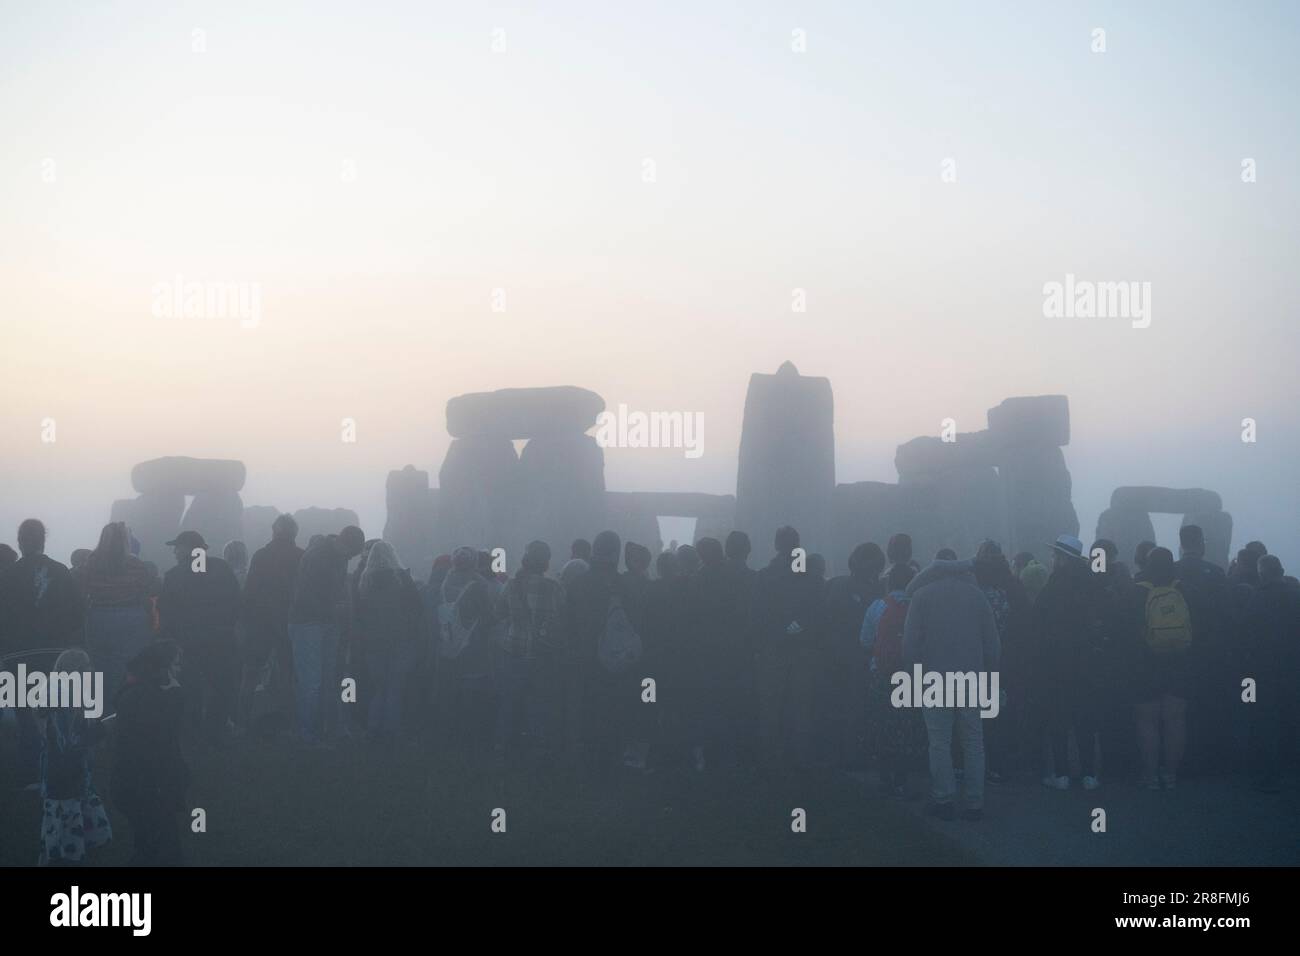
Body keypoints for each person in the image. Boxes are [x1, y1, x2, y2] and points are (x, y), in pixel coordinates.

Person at [903, 554, 1000, 820]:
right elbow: (992, 644)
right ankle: (974, 802)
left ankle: (943, 798)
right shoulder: (977, 596)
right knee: (973, 741)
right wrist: (992, 673)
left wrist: (913, 674)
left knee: (939, 742)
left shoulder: (921, 596)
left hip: (934, 678)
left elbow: (910, 645)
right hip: (971, 677)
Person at [0, 519, 85, 787]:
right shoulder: (60, 571)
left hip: (18, 654)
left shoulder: (7, 575)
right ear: (43, 540)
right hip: (55, 653)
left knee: (26, 714)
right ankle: (62, 768)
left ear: (20, 541)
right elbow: (78, 611)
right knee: (57, 712)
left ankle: (31, 773)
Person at [1034, 534, 1105, 791]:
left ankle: (1062, 774)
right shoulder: (1092, 581)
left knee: (1059, 717)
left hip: (1057, 661)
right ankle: (1089, 775)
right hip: (1087, 660)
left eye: (1055, 555)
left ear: (1063, 558)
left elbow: (1039, 617)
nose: (1053, 559)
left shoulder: (1056, 583)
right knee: (1085, 717)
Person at [158, 531, 242, 746]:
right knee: (222, 686)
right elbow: (237, 600)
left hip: (190, 640)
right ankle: (217, 731)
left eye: (177, 547)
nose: (175, 551)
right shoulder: (221, 568)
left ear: (187, 548)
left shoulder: (175, 575)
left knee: (191, 687)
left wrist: (171, 638)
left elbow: (166, 611)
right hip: (222, 637)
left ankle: (192, 733)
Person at [566, 530, 638, 774]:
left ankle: (587, 758)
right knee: (615, 708)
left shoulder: (578, 584)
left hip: (584, 657)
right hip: (617, 657)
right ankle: (612, 758)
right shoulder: (625, 585)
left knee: (587, 707)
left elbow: (567, 623)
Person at [752, 526, 824, 769]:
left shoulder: (764, 576)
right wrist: (799, 625)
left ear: (776, 545)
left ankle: (769, 757)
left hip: (773, 647)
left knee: (770, 706)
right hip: (804, 647)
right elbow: (818, 608)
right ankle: (801, 757)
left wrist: (780, 628)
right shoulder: (811, 576)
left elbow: (758, 613)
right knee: (802, 705)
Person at [34, 647, 113, 865]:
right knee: (66, 839)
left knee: (66, 830)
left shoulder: (60, 693)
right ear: (75, 670)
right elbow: (70, 743)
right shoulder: (63, 698)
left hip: (65, 775)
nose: (92, 669)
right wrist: (105, 727)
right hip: (66, 777)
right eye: (87, 666)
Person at [113, 640, 189, 865]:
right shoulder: (157, 700)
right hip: (149, 783)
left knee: (146, 837)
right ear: (162, 669)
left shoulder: (131, 692)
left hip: (129, 782)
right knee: (163, 839)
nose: (180, 670)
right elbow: (163, 739)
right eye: (176, 665)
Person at [288, 525, 365, 745]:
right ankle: (307, 732)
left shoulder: (334, 554)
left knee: (327, 678)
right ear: (345, 544)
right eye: (351, 553)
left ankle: (324, 728)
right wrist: (335, 609)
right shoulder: (317, 556)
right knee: (312, 681)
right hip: (309, 623)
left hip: (326, 622)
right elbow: (306, 593)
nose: (351, 558)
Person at [494, 540, 566, 758]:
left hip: (514, 652)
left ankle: (502, 747)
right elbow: (563, 619)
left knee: (509, 703)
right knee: (539, 704)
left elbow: (499, 614)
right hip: (542, 654)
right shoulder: (555, 588)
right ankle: (537, 750)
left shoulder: (511, 585)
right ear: (546, 562)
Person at [79, 522, 159, 716]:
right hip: (132, 618)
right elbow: (146, 591)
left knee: (102, 669)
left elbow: (84, 590)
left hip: (100, 618)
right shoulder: (136, 564)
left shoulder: (92, 562)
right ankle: (130, 713)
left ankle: (104, 717)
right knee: (133, 668)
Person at [861, 561, 926, 798]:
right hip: (911, 673)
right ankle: (903, 775)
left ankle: (884, 775)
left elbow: (865, 641)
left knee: (882, 723)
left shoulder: (878, 606)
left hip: (882, 672)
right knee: (906, 723)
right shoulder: (920, 606)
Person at [1130, 547, 1193, 790]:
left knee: (1147, 720)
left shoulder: (1135, 592)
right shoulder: (1185, 590)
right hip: (1180, 661)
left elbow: (1124, 630)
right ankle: (1171, 775)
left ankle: (1150, 776)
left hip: (1144, 663)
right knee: (1175, 719)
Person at [1174, 524, 1233, 773]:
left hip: (1176, 647)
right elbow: (1227, 613)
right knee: (1208, 703)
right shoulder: (1218, 573)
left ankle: (1180, 759)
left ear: (1181, 544)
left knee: (1179, 705)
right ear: (1202, 544)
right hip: (1211, 648)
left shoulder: (1172, 572)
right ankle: (1209, 757)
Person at [822, 543, 886, 769]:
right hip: (858, 657)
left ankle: (836, 752)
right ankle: (854, 754)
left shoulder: (833, 584)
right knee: (856, 707)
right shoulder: (876, 591)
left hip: (833, 655)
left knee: (838, 705)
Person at [240, 514, 304, 732]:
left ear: (274, 531)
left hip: (260, 623)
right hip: (290, 622)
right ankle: (289, 722)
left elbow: (249, 591)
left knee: (250, 673)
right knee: (287, 674)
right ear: (294, 533)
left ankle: (243, 722)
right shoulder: (301, 557)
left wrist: (246, 621)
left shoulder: (261, 556)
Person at [354, 541, 423, 742]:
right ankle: (391, 730)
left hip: (373, 642)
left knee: (379, 688)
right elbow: (417, 608)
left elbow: (358, 614)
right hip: (401, 639)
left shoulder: (363, 580)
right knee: (395, 687)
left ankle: (372, 728)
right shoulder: (402, 578)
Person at [1244, 555, 1298, 792]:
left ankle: (1267, 772)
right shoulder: (1296, 596)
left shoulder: (1256, 598)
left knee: (1263, 717)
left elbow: (1246, 635)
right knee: (1291, 715)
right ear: (1282, 570)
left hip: (1260, 671)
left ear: (1261, 573)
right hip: (1292, 667)